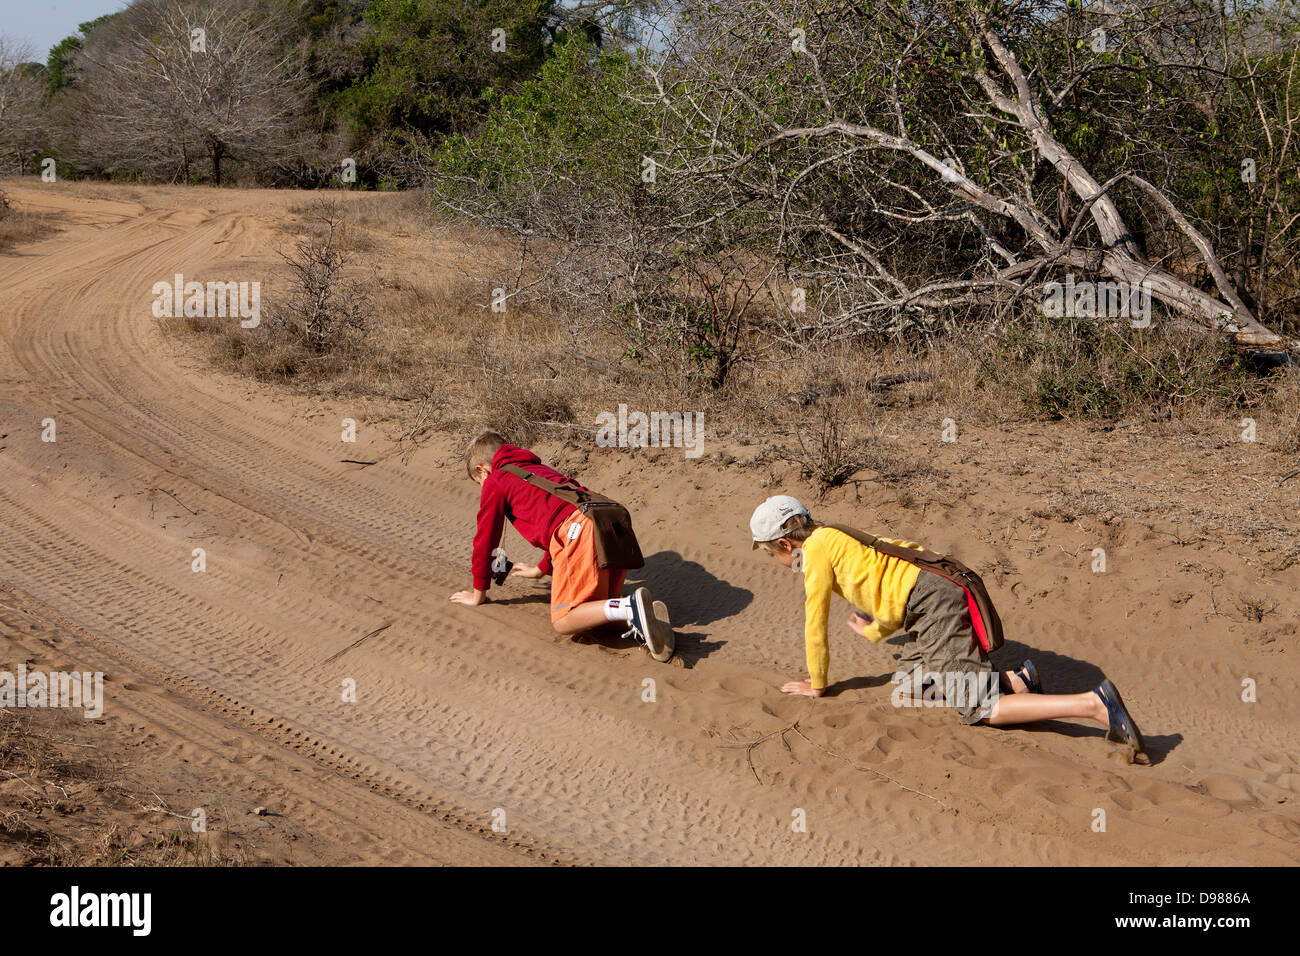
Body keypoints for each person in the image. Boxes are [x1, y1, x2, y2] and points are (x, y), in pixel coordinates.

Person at [750, 495, 1145, 753]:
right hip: (924, 600)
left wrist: (817, 686)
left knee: (975, 707)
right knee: (910, 683)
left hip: (932, 600)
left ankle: (1094, 704)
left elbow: (813, 622)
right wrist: (874, 630)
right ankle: (1019, 680)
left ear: (786, 545)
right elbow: (889, 591)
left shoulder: (814, 553)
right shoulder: (831, 535)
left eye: (773, 556)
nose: (780, 564)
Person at [450, 431, 674, 661]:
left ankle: (631, 607)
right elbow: (561, 513)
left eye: (480, 483)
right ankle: (647, 622)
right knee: (596, 612)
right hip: (610, 518)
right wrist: (541, 569)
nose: (482, 487)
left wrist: (479, 593)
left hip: (580, 528)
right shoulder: (536, 469)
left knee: (565, 619)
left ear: (482, 469)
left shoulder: (496, 479)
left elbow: (486, 539)